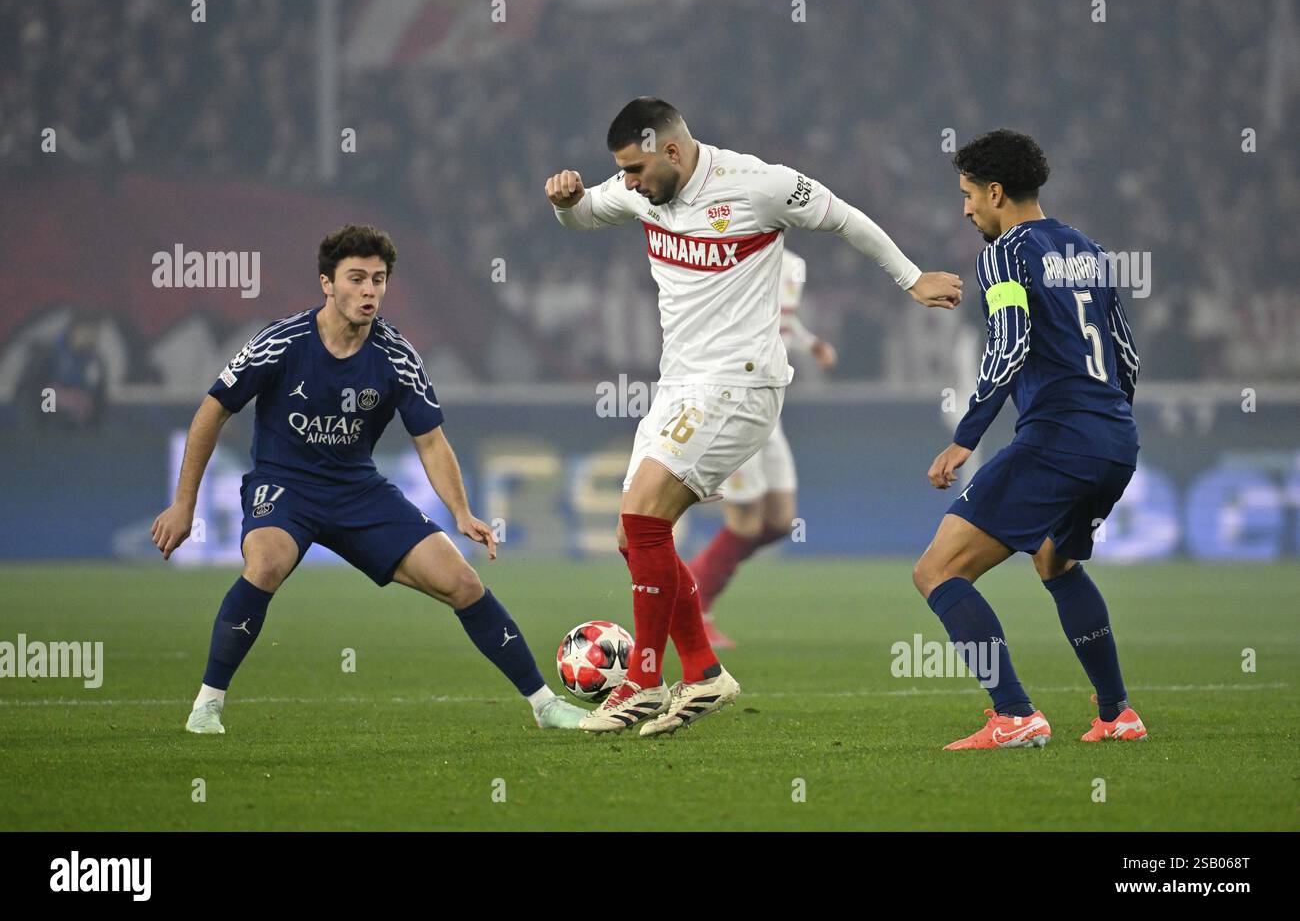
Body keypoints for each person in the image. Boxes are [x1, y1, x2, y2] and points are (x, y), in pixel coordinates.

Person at [546, 97, 962, 735]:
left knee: (642, 516)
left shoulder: (759, 186)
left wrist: (909, 279)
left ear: (673, 151)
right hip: (677, 386)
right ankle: (706, 673)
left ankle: (643, 682)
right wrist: (566, 200)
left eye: (634, 168)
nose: (628, 183)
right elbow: (584, 218)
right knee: (635, 539)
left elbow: (845, 218)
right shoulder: (641, 195)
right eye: (621, 172)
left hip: (739, 386)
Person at [150, 224, 585, 734]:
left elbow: (430, 440)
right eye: (356, 278)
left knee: (463, 582)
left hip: (359, 492)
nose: (369, 291)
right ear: (326, 284)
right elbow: (211, 412)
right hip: (284, 486)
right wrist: (184, 505)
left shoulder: (397, 356)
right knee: (265, 563)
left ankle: (544, 705)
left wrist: (462, 513)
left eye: (378, 279)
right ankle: (207, 706)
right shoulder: (280, 343)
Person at [912, 129, 1148, 750]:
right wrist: (1107, 423)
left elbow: (1009, 344)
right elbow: (1125, 354)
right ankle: (1116, 713)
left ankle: (1013, 713)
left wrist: (965, 439)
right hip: (1115, 439)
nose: (965, 209)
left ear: (995, 192)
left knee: (938, 571)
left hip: (1059, 439)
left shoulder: (1006, 255)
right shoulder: (1088, 251)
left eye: (967, 195)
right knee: (1055, 559)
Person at [687, 249, 836, 648]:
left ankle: (694, 579)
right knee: (745, 523)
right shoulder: (733, 257)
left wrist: (811, 343)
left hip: (770, 409)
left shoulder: (794, 264)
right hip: (732, 405)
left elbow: (784, 322)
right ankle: (695, 606)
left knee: (780, 521)